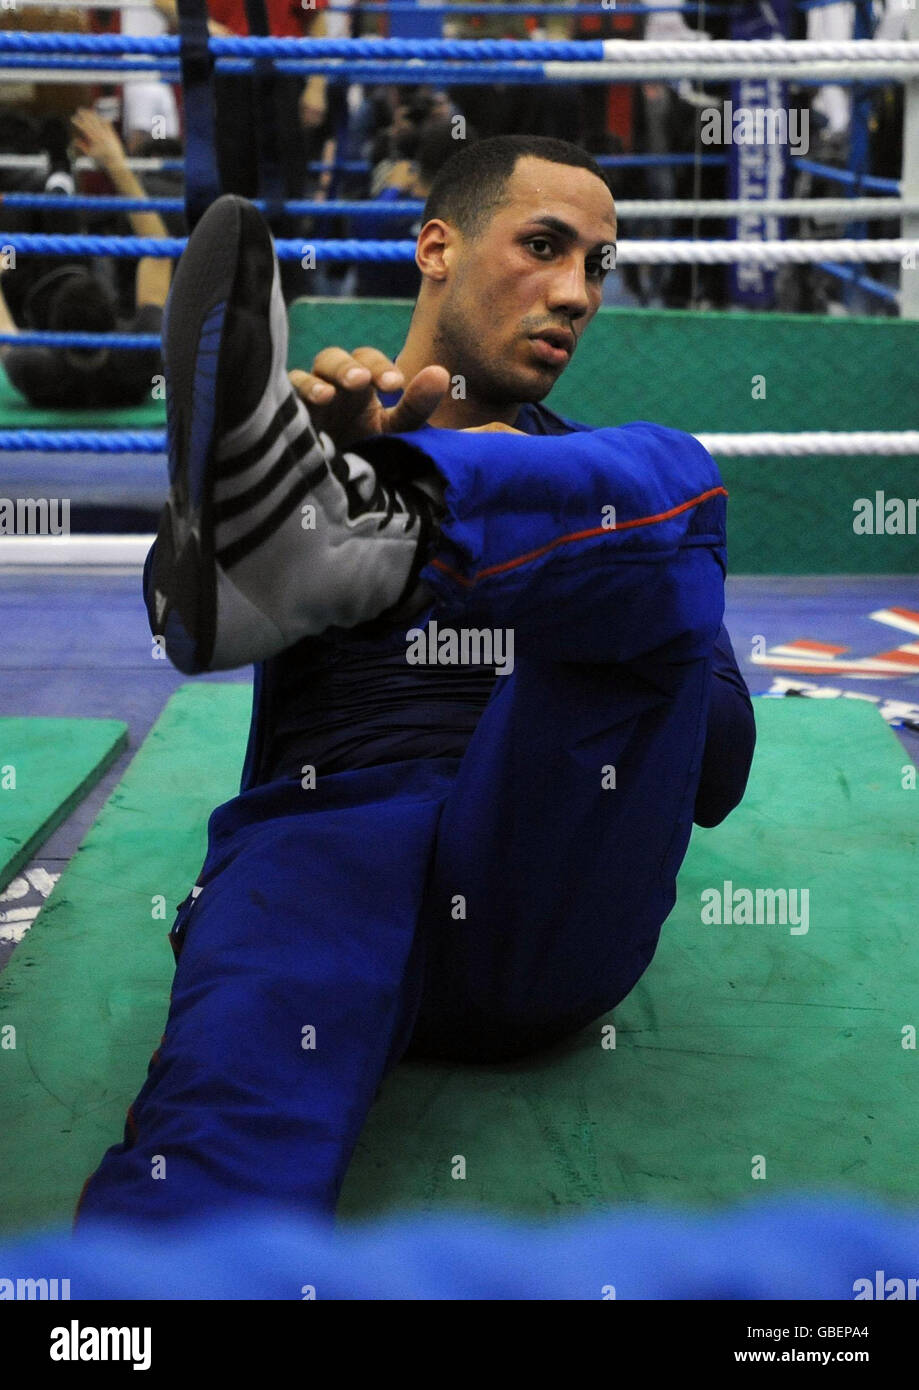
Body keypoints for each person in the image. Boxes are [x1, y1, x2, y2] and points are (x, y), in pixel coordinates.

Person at [75, 135, 755, 1226]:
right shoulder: (292, 440)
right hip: (323, 845)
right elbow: (179, 613)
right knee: (201, 1191)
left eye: (598, 266)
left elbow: (714, 763)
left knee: (672, 481)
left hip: (539, 872)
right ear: (436, 246)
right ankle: (340, 533)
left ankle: (396, 528)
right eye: (544, 247)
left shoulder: (613, 494)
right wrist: (317, 472)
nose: (576, 294)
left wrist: (517, 572)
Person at [0, 110, 172, 410]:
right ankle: (59, 170)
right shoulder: (141, 355)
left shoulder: (33, 371)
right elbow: (159, 253)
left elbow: (6, 334)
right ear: (114, 323)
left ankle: (58, 170)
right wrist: (117, 165)